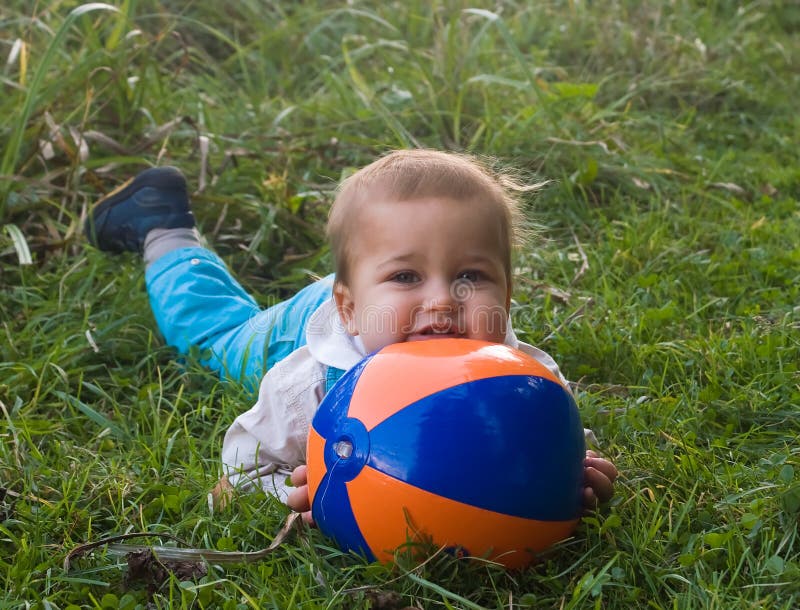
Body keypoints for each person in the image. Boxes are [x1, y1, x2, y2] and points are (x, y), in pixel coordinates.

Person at [85, 149, 617, 524]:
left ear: (507, 288)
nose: (441, 302)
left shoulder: (525, 374)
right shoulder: (311, 379)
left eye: (470, 277)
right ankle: (165, 229)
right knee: (217, 340)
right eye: (408, 276)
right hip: (301, 328)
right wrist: (299, 489)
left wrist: (574, 467)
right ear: (350, 306)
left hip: (378, 306)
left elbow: (546, 435)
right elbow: (235, 480)